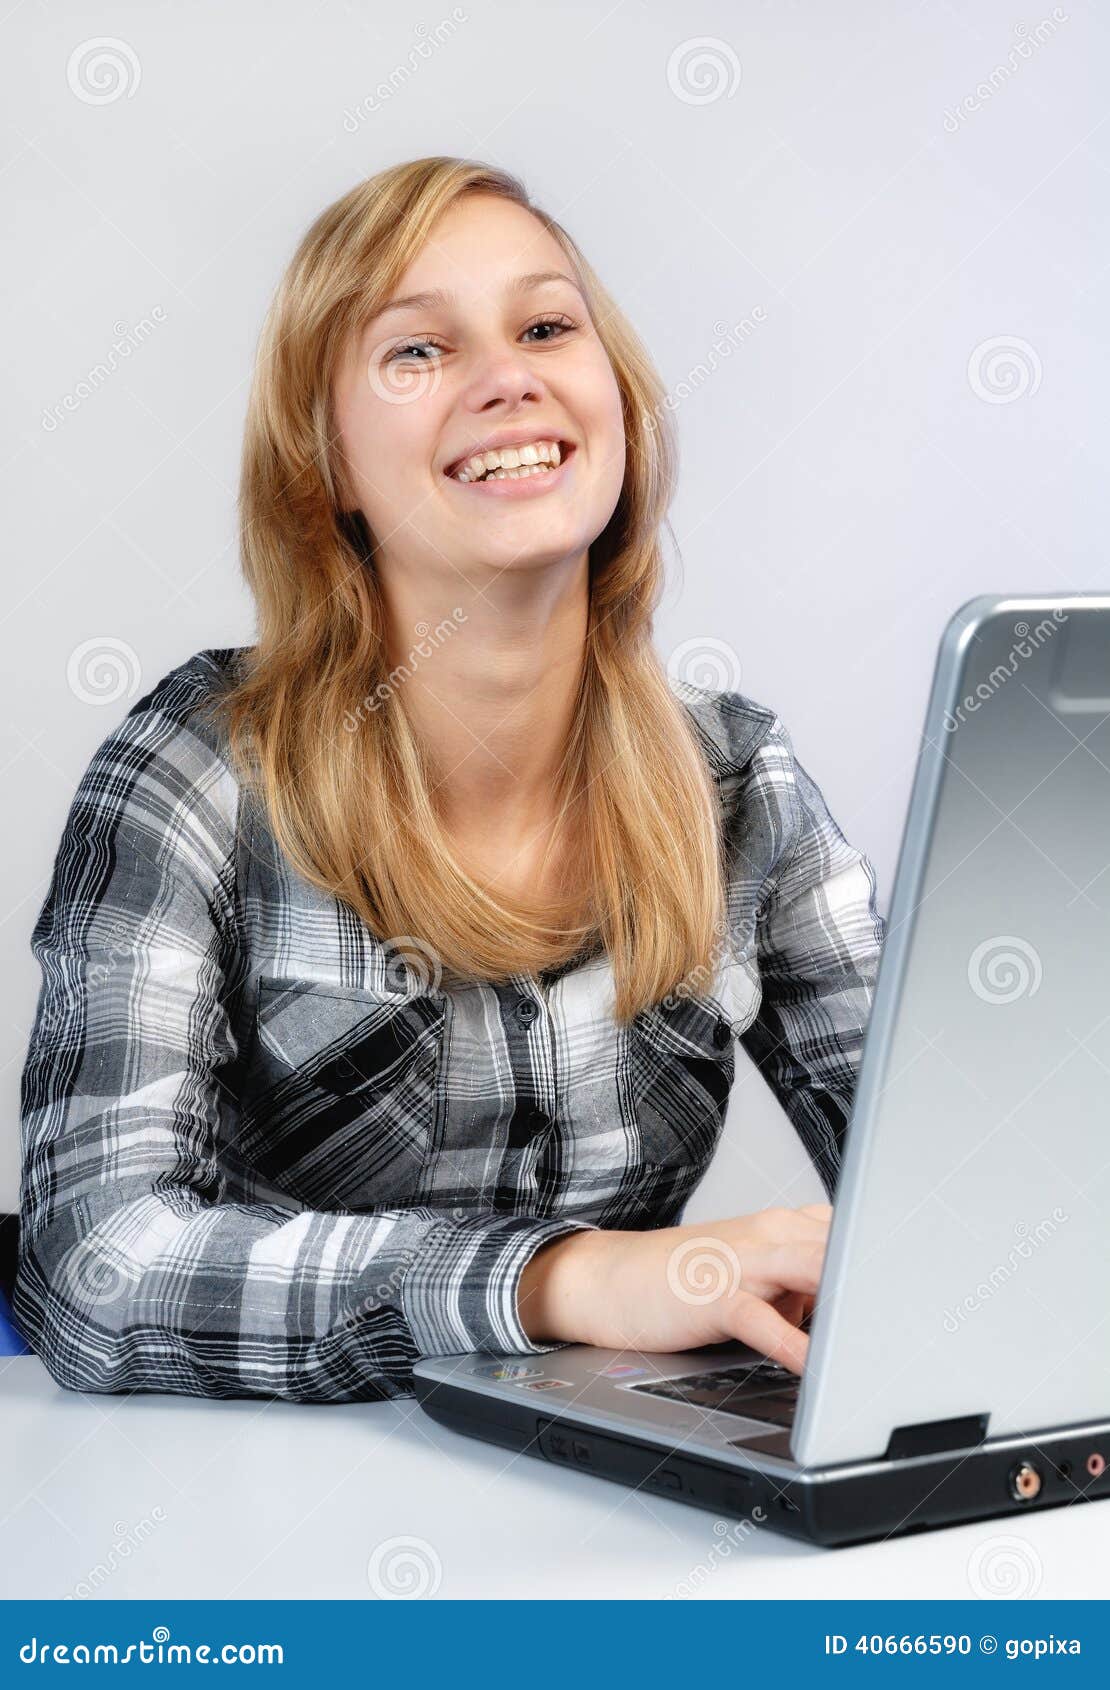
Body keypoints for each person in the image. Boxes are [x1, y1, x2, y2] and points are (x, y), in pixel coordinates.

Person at [13, 157, 885, 1404]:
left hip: (613, 1499)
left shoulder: (738, 781)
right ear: (327, 466)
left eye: (545, 326)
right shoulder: (198, 770)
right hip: (253, 1520)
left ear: (618, 406)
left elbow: (955, 1204)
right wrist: (558, 1279)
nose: (507, 376)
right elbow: (90, 1272)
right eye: (417, 352)